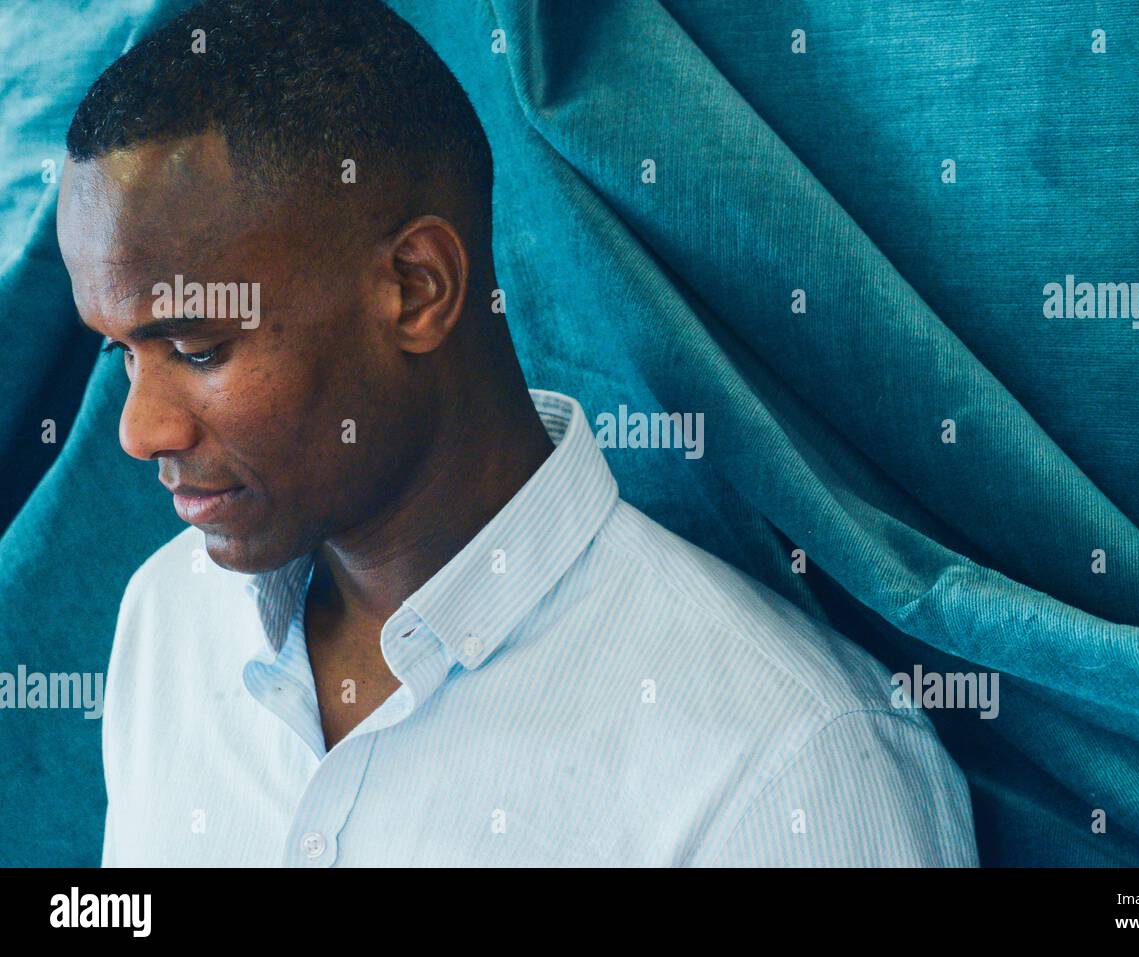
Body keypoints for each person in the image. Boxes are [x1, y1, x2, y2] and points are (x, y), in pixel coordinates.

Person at [58, 0, 978, 867]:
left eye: (197, 345)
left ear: (416, 288)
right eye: (122, 357)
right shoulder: (168, 618)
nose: (141, 429)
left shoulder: (791, 766)